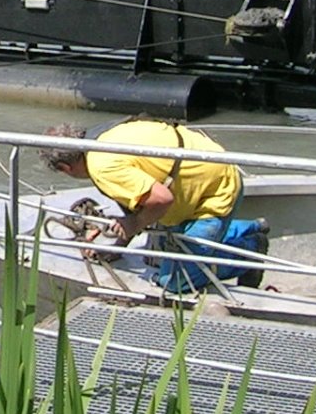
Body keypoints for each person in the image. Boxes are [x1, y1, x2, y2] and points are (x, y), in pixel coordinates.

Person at [41, 120, 252, 291]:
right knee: (159, 256)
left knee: (175, 281)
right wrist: (118, 248)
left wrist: (134, 223)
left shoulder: (101, 168)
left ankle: (248, 250)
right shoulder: (104, 135)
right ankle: (251, 228)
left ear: (65, 167)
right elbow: (135, 205)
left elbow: (161, 199)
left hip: (213, 191)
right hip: (205, 168)